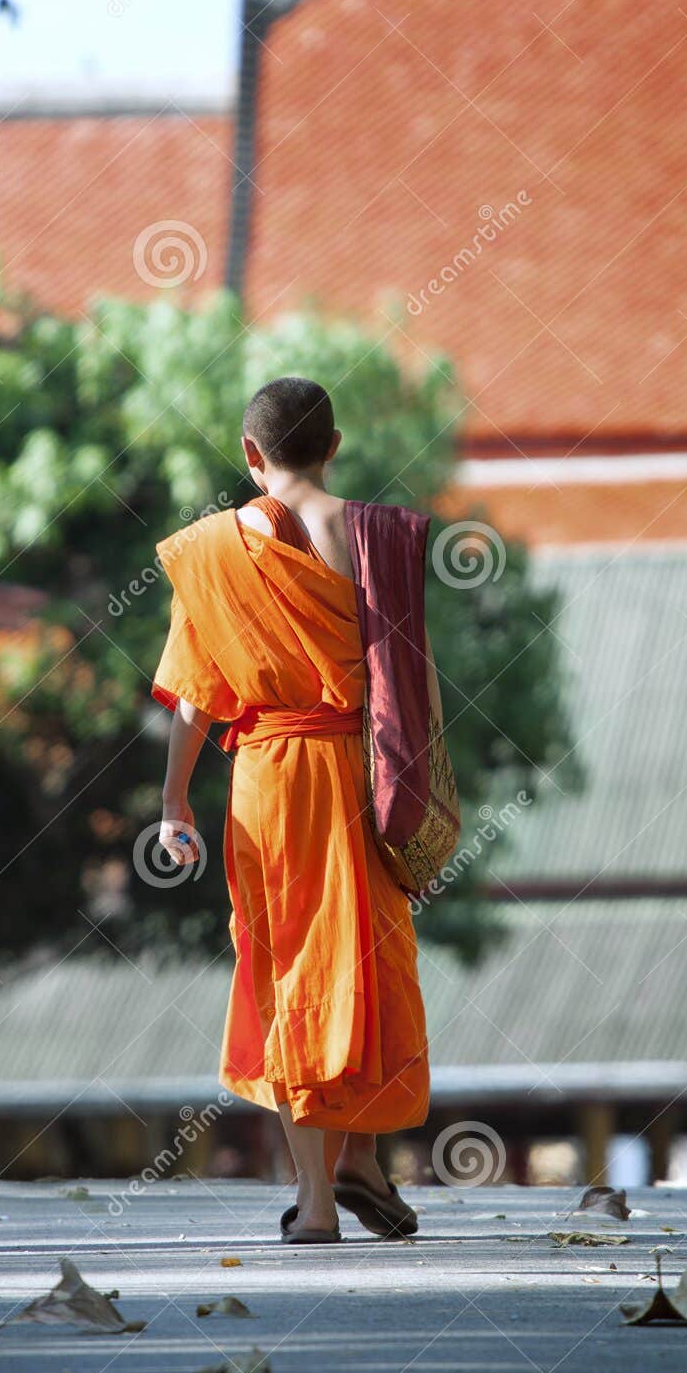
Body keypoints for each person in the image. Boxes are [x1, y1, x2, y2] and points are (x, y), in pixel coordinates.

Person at [153, 376, 442, 1243]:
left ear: (250, 454)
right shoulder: (377, 535)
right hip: (362, 771)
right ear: (336, 445)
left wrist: (174, 804)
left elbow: (197, 698)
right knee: (363, 962)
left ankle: (321, 1198)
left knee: (287, 975)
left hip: (269, 781)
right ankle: (359, 1154)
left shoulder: (212, 550)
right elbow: (412, 679)